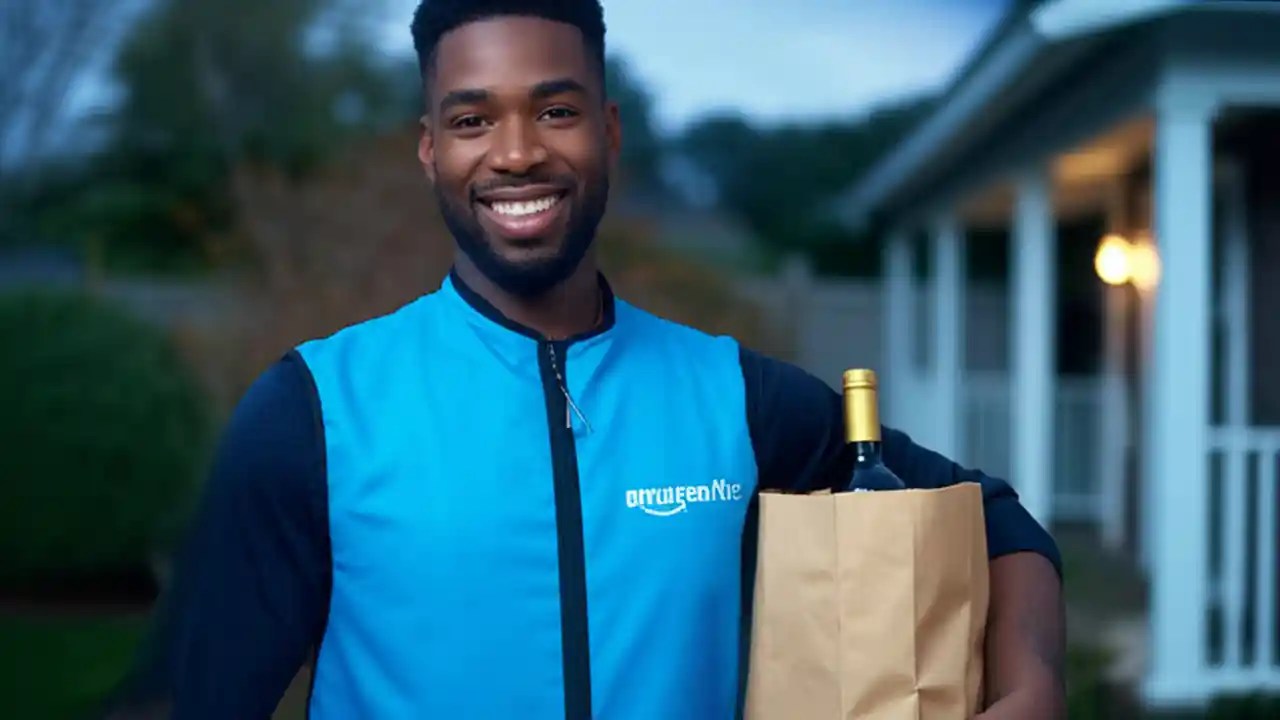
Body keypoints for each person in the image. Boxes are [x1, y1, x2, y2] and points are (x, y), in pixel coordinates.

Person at [108, 1, 1065, 718]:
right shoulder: (316, 411)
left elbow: (989, 518)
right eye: (473, 120)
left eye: (555, 110)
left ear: (607, 131)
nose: (516, 153)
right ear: (430, 151)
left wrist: (1033, 680)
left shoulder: (732, 399)